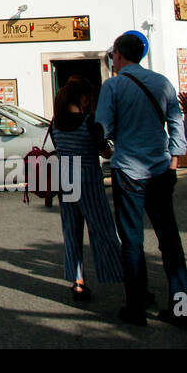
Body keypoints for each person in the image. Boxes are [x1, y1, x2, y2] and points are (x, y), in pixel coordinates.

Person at [95, 32, 187, 328]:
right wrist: (175, 158)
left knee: (132, 242)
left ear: (120, 56)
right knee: (170, 240)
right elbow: (176, 121)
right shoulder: (162, 82)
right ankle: (180, 308)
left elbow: (101, 127)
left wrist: (109, 148)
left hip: (128, 171)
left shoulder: (112, 86)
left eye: (113, 57)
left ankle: (136, 306)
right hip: (161, 169)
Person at [51, 78, 121, 300]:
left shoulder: (55, 122)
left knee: (71, 230)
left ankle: (78, 281)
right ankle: (117, 274)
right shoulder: (89, 121)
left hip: (64, 178)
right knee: (102, 229)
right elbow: (104, 152)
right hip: (87, 177)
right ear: (82, 98)